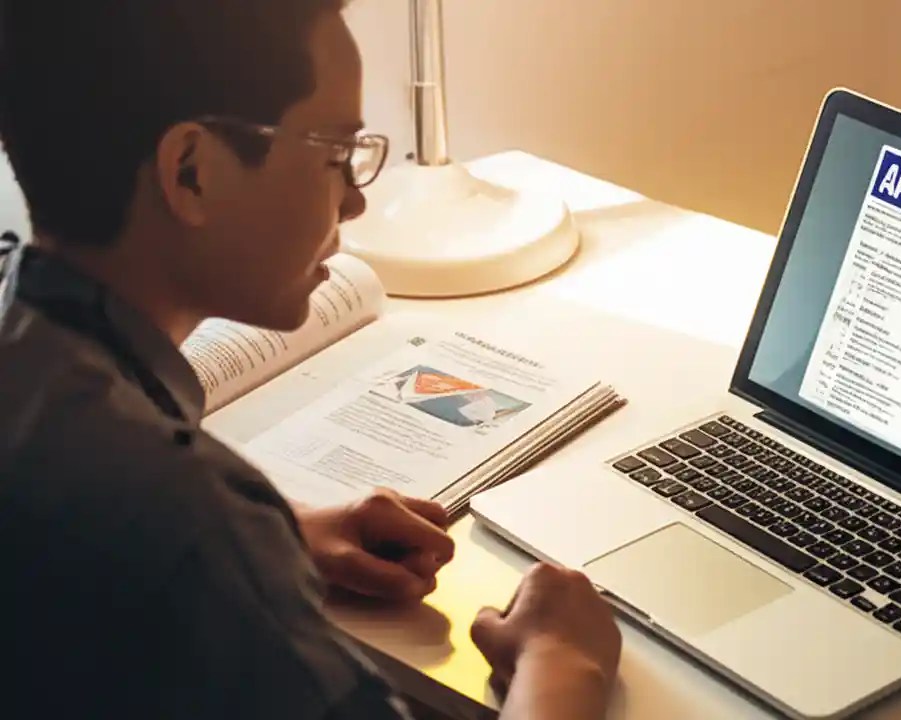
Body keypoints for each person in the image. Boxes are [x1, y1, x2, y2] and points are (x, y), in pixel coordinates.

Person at [0, 2, 620, 719]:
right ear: (192, 172)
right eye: (336, 154)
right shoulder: (192, 530)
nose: (355, 200)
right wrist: (562, 664)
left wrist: (283, 531)